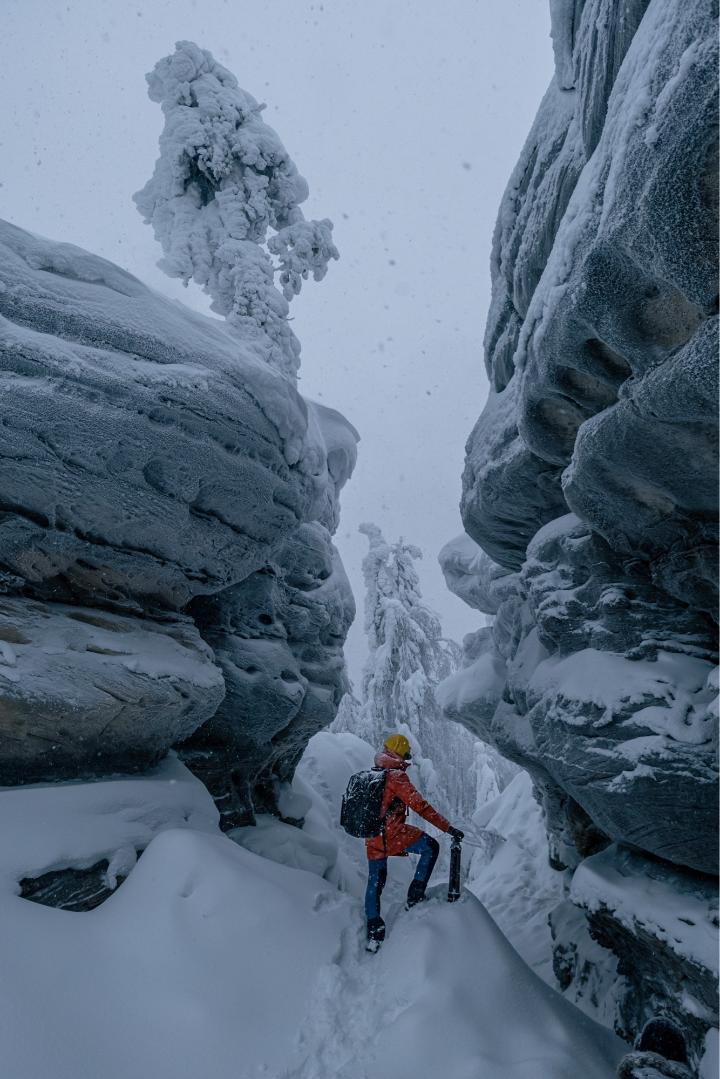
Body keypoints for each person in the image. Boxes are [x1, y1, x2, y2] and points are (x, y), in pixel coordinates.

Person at [365, 733, 464, 946]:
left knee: (375, 880)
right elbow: (421, 807)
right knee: (431, 846)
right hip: (392, 835)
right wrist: (448, 828)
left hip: (372, 836)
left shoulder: (375, 771)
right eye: (406, 753)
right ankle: (415, 894)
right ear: (401, 753)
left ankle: (374, 929)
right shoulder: (396, 777)